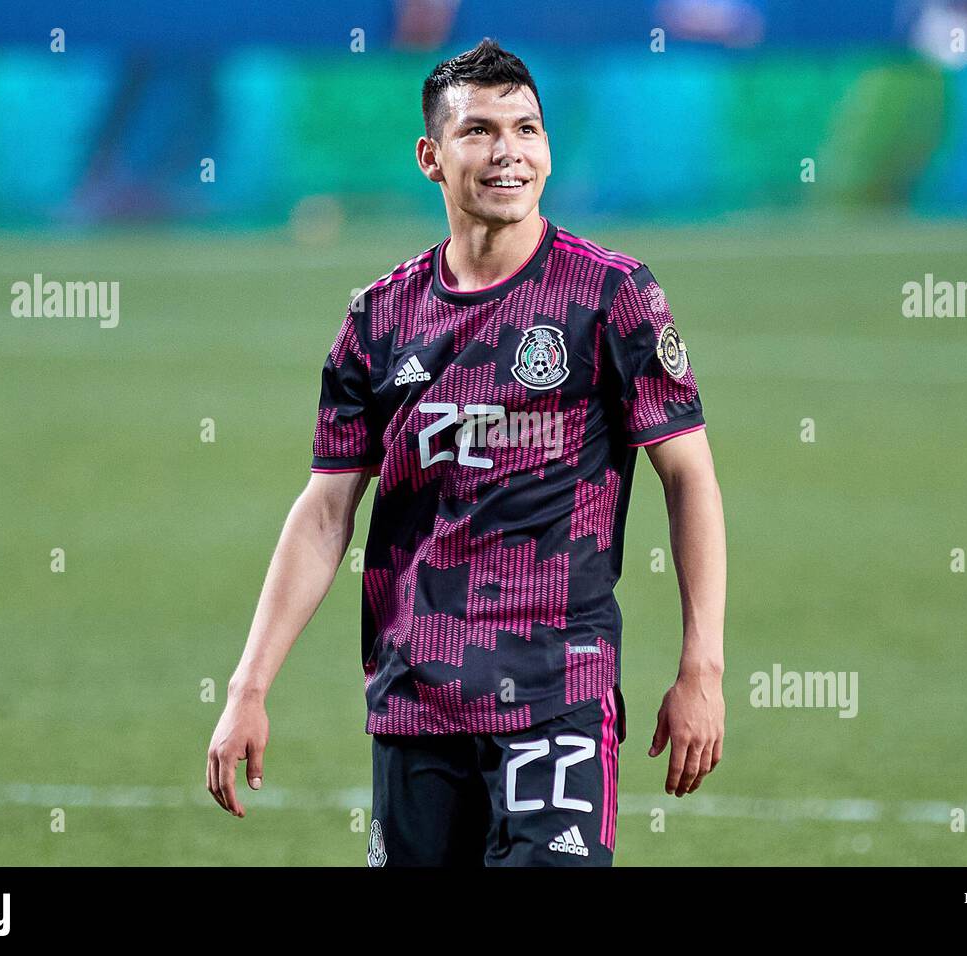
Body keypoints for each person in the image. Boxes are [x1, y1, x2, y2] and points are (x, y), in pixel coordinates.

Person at [206, 38, 727, 867]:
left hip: (558, 691)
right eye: (480, 131)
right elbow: (326, 509)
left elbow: (689, 475)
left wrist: (702, 666)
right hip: (416, 699)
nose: (508, 152)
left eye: (526, 129)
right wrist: (248, 685)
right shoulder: (377, 318)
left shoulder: (611, 295)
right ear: (431, 157)